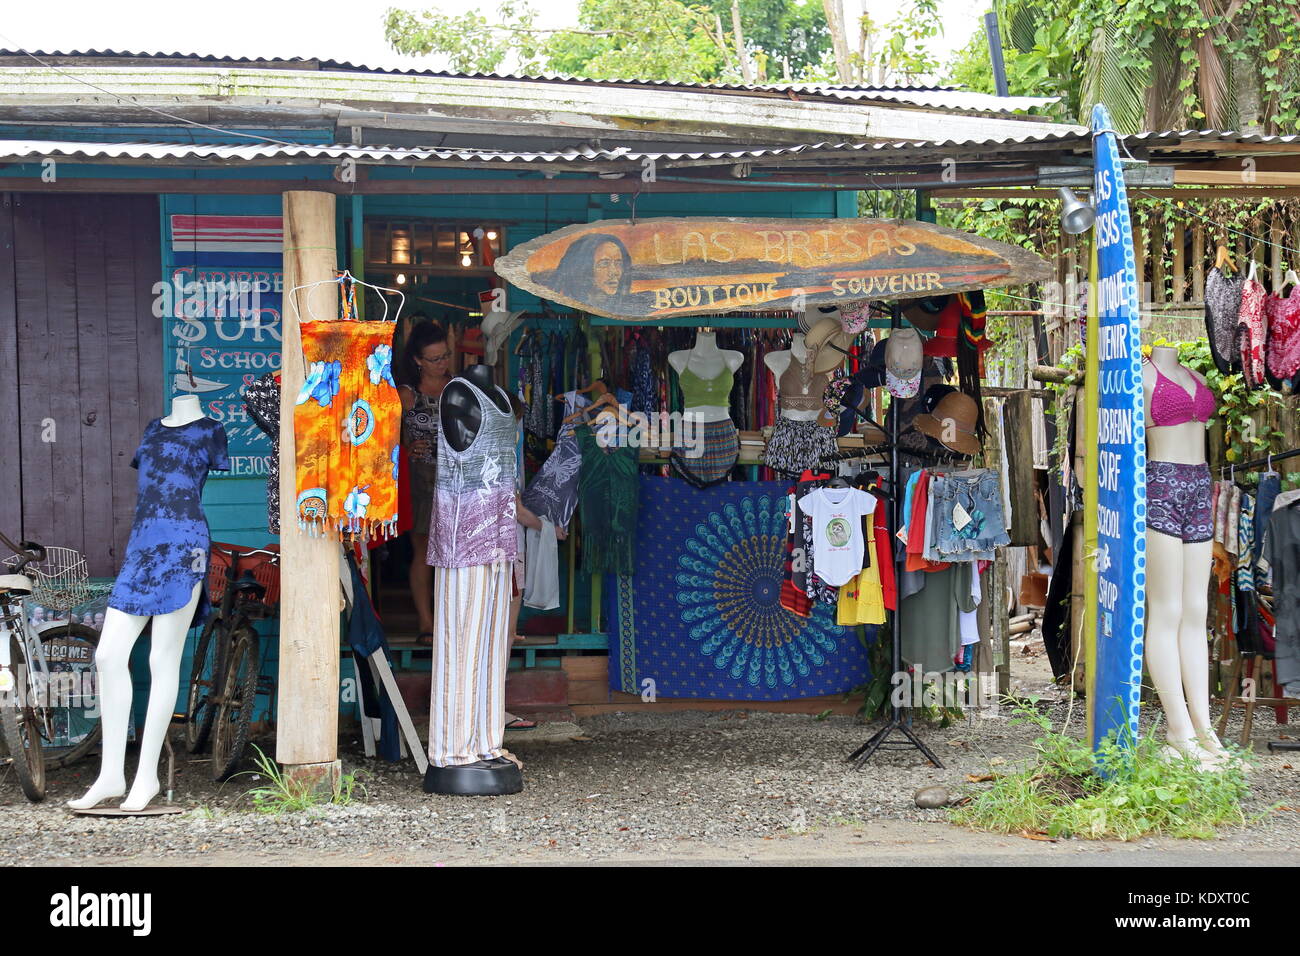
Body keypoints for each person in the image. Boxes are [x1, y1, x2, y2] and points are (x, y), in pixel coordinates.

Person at [397, 320, 452, 644]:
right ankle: (426, 623)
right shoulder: (407, 394)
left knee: (452, 552)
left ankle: (450, 617)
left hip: (457, 478)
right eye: (434, 359)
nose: (442, 364)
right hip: (422, 478)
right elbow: (382, 437)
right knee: (424, 552)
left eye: (445, 356)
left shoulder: (458, 386)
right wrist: (405, 446)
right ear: (418, 360)